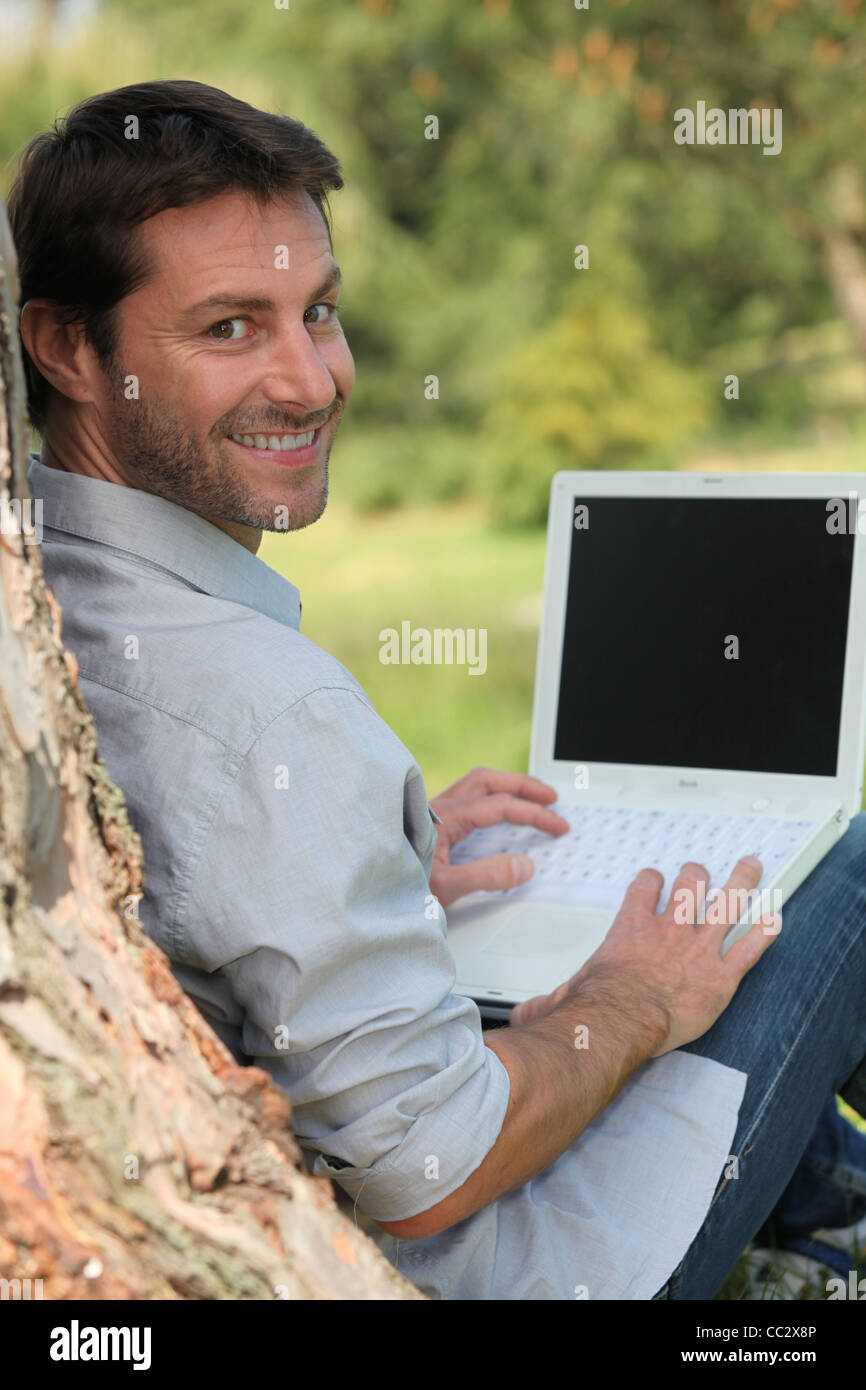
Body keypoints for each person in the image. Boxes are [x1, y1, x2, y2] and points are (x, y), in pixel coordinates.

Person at [9, 79, 866, 1301]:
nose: (312, 381)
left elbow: (220, 882)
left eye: (320, 311)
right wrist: (627, 997)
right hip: (510, 1266)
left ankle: (821, 1213)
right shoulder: (268, 710)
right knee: (839, 874)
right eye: (230, 329)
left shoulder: (40, 588)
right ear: (61, 346)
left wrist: (375, 857)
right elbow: (427, 1167)